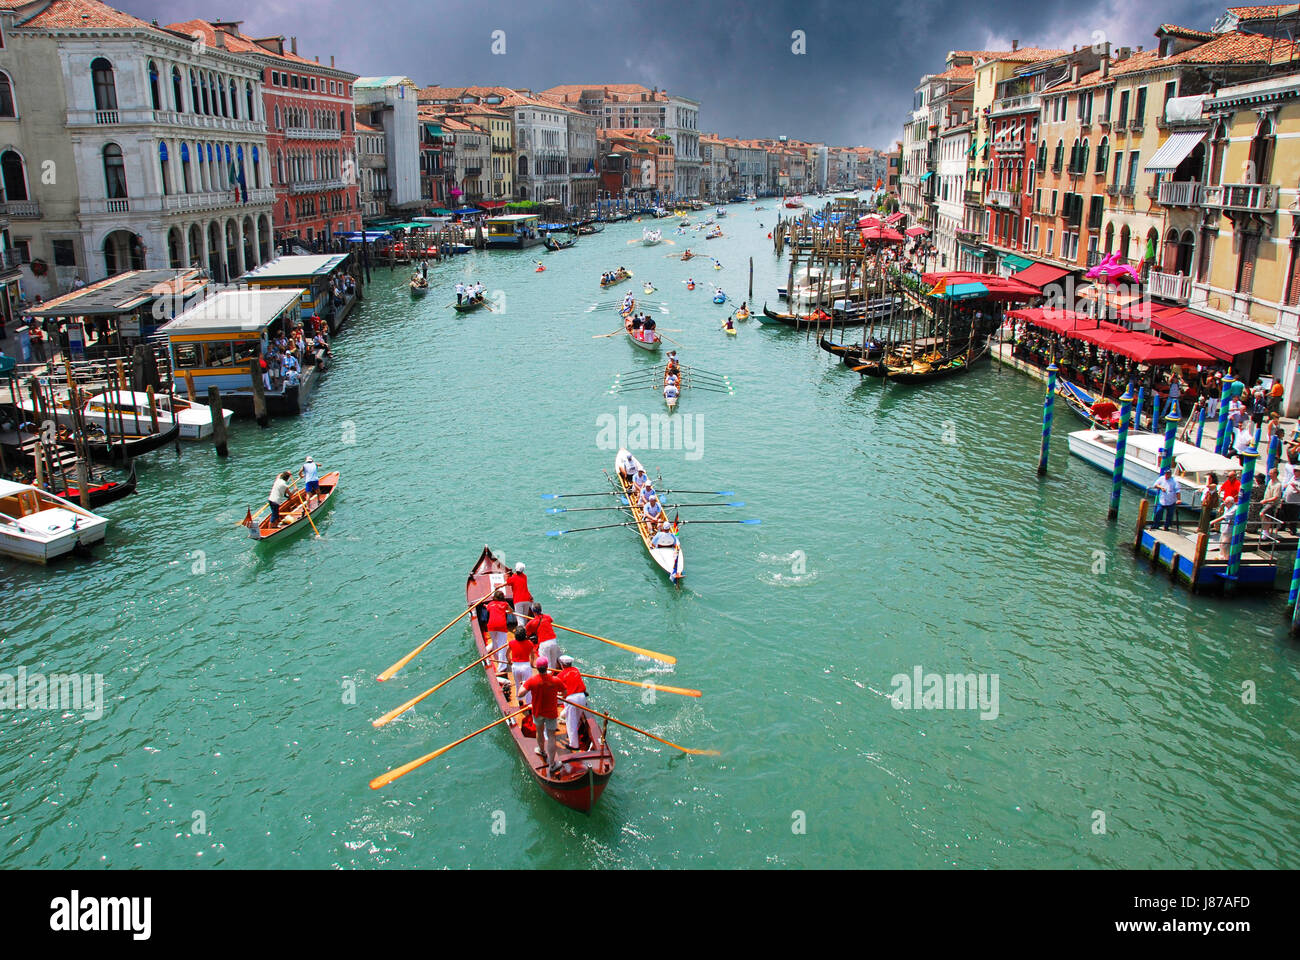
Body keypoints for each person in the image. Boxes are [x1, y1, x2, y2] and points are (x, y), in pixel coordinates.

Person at [521, 657, 565, 774]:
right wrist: (556, 693)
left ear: (537, 668)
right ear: (547, 668)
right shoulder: (555, 680)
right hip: (551, 713)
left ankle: (541, 750)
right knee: (551, 736)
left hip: (537, 712)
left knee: (539, 732)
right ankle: (552, 764)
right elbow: (564, 693)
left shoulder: (531, 681)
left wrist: (523, 685)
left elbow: (520, 693)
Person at [554, 654, 591, 751]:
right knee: (577, 718)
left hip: (572, 700)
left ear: (562, 665)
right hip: (582, 697)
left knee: (570, 722)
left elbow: (557, 688)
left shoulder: (560, 675)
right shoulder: (576, 670)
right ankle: (577, 729)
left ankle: (574, 745)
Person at [484, 590, 512, 672]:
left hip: (491, 626)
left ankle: (496, 659)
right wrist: (506, 611)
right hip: (501, 626)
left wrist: (486, 606)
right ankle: (501, 667)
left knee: (494, 642)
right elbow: (510, 611)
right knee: (502, 645)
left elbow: (489, 609)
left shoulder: (490, 604)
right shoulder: (505, 604)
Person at [508, 625, 536, 704]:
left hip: (515, 667)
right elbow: (532, 656)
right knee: (528, 686)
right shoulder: (529, 643)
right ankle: (528, 704)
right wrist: (531, 664)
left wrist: (509, 661)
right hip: (526, 667)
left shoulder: (511, 643)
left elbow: (507, 654)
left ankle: (520, 700)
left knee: (517, 684)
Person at [1151, 467, 1181, 531]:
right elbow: (1155, 485)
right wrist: (1161, 487)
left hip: (1171, 501)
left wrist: (1178, 499)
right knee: (1158, 512)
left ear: (1170, 474)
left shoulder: (1174, 481)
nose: (1167, 475)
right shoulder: (1161, 478)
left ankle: (1166, 526)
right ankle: (1156, 525)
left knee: (1169, 515)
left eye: (1168, 474)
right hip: (1162, 500)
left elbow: (1178, 491)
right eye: (1166, 474)